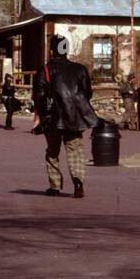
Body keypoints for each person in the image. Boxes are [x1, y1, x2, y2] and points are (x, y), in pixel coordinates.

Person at [32, 35, 98, 197]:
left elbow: (39, 97)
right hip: (74, 118)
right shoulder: (80, 69)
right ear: (66, 49)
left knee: (52, 151)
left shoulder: (45, 70)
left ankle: (54, 186)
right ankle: (78, 181)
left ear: (52, 50)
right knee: (75, 150)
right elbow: (87, 93)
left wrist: (42, 116)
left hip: (52, 119)